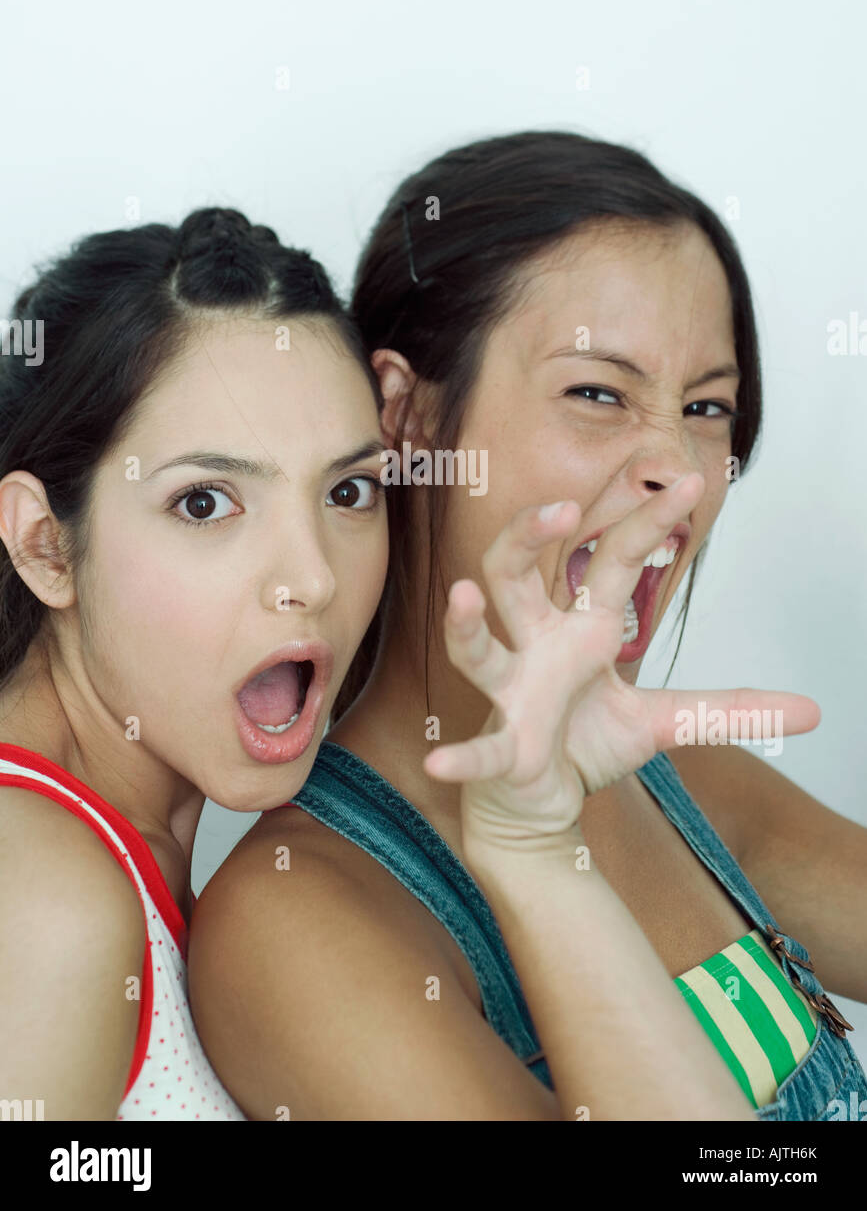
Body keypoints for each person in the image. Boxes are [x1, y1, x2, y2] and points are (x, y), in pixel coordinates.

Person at [188, 131, 867, 1121]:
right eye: (597, 392)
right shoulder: (299, 916)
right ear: (409, 417)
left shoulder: (687, 786)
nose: (679, 471)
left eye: (707, 406)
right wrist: (537, 863)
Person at [0, 207, 389, 1120]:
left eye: (348, 490)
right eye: (206, 501)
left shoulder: (113, 865)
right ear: (46, 544)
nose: (312, 577)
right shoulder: (45, 897)